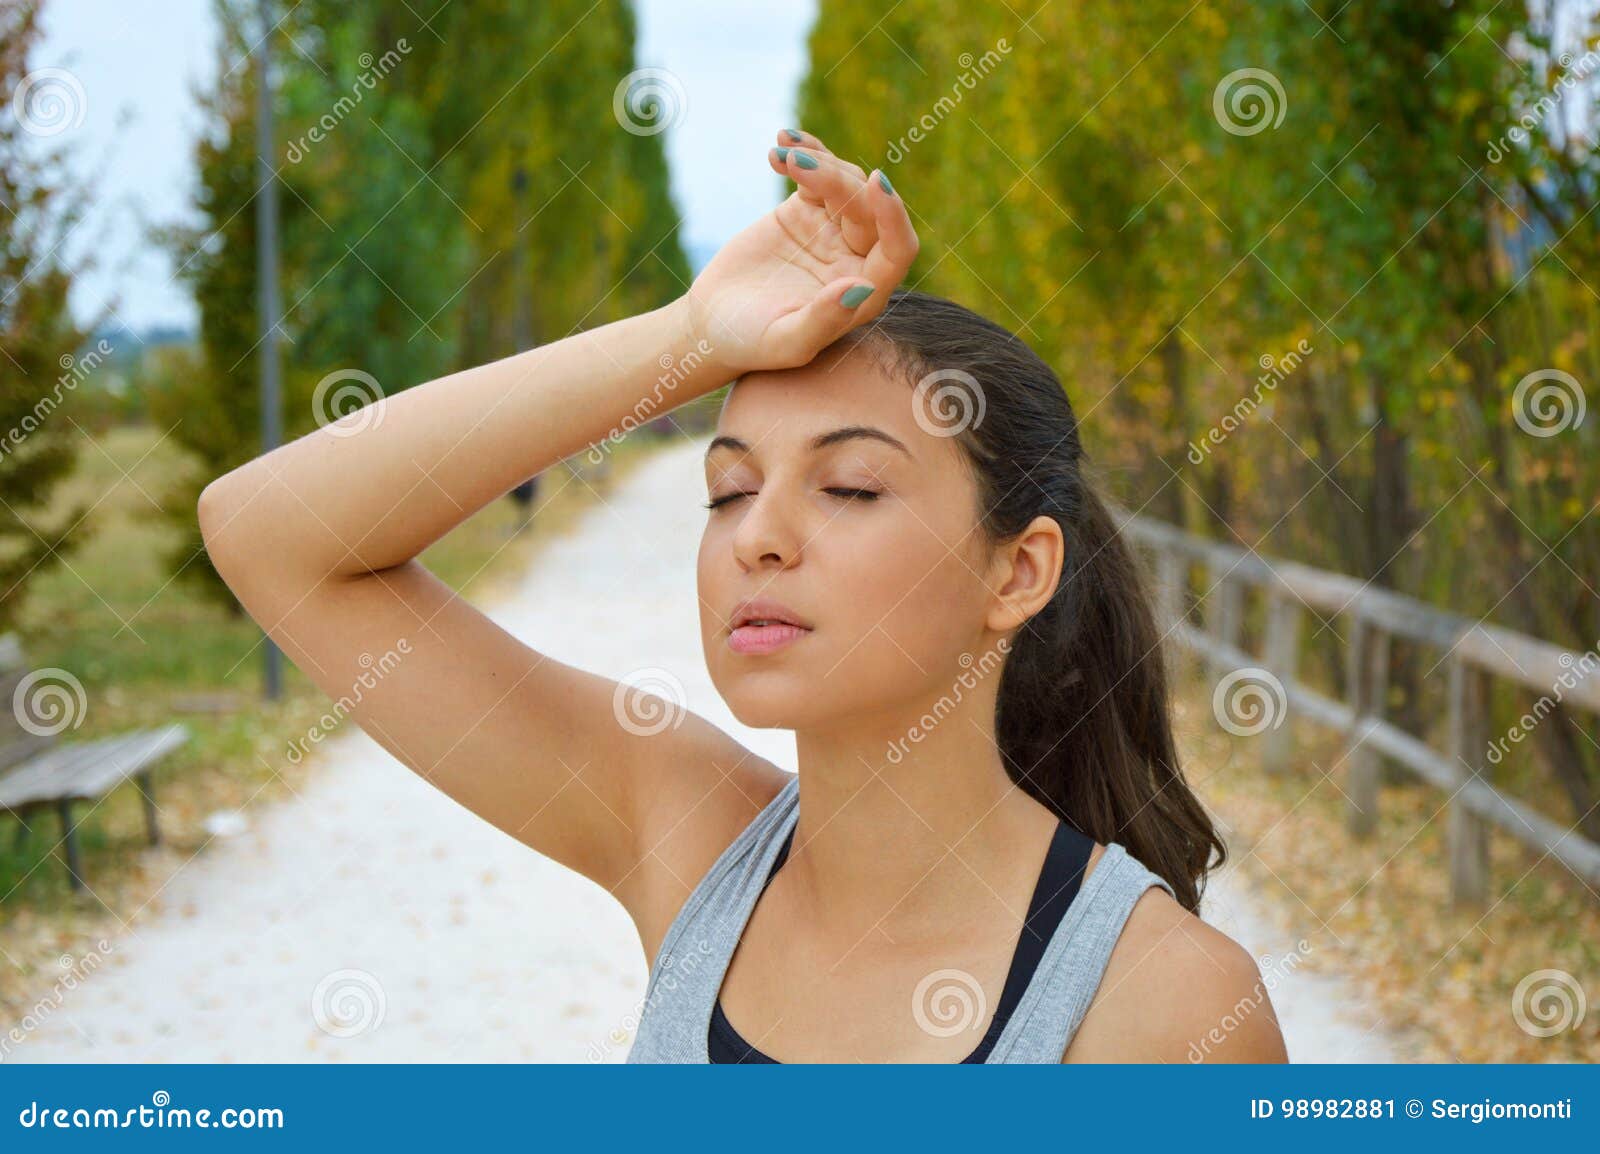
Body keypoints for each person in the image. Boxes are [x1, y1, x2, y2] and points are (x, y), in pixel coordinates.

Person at [198, 128, 1287, 1064]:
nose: (757, 536)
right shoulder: (683, 833)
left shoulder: (1167, 1007)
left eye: (849, 485)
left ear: (1018, 572)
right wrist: (686, 337)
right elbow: (271, 533)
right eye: (726, 490)